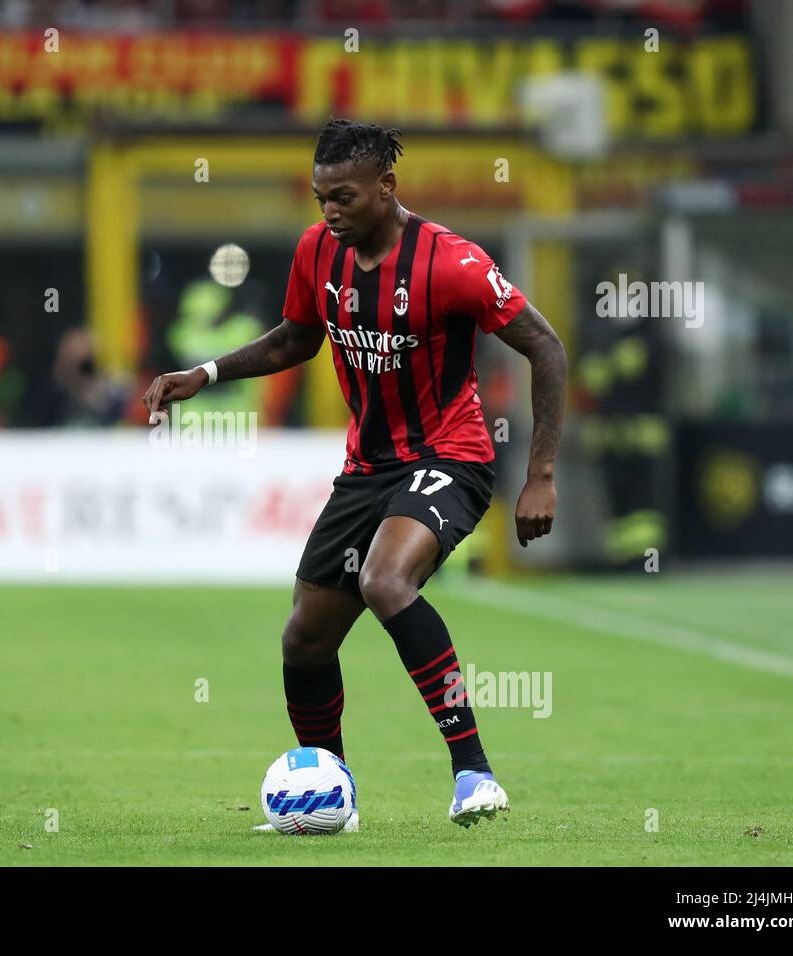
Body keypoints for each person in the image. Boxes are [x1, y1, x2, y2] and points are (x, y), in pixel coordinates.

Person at [142, 119, 567, 829]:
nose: (330, 212)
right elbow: (295, 339)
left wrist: (542, 472)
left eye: (343, 196)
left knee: (384, 580)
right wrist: (206, 373)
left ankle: (475, 774)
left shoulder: (453, 263)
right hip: (366, 469)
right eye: (319, 198)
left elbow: (545, 348)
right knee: (305, 638)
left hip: (449, 457)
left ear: (386, 187)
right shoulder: (318, 252)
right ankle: (327, 795)